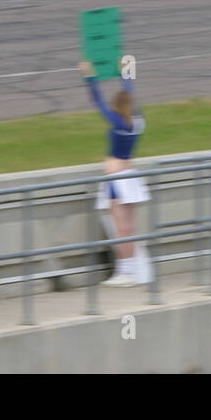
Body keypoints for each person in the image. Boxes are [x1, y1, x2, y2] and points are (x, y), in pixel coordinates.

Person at [80, 60, 151, 286]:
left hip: (116, 180)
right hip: (130, 178)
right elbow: (130, 91)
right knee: (129, 227)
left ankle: (126, 272)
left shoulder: (119, 123)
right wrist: (125, 74)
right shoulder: (138, 122)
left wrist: (89, 77)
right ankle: (129, 271)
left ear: (117, 106)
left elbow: (97, 101)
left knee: (121, 228)